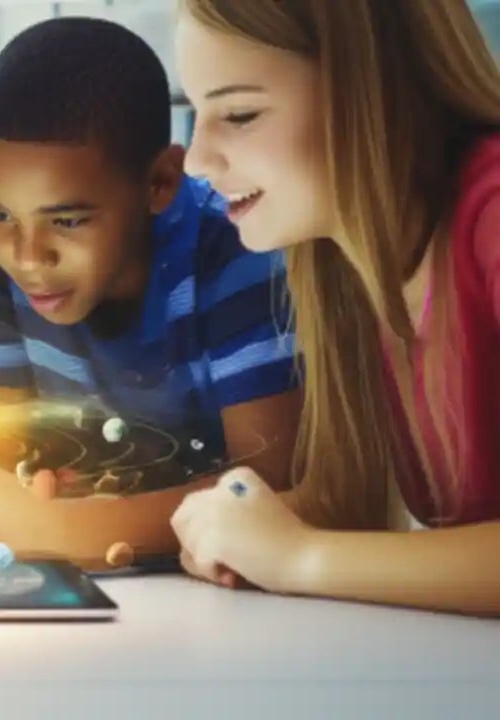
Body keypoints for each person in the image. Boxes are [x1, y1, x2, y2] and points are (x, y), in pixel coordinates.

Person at [171, 0, 500, 616]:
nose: (195, 161)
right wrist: (241, 529)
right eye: (196, 112)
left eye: (239, 115)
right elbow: (349, 506)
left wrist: (299, 557)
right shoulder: (342, 266)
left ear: (375, 90)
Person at [0, 17, 301, 561]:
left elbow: (273, 484)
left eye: (67, 221)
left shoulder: (234, 244)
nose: (27, 257)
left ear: (160, 182)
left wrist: (65, 530)